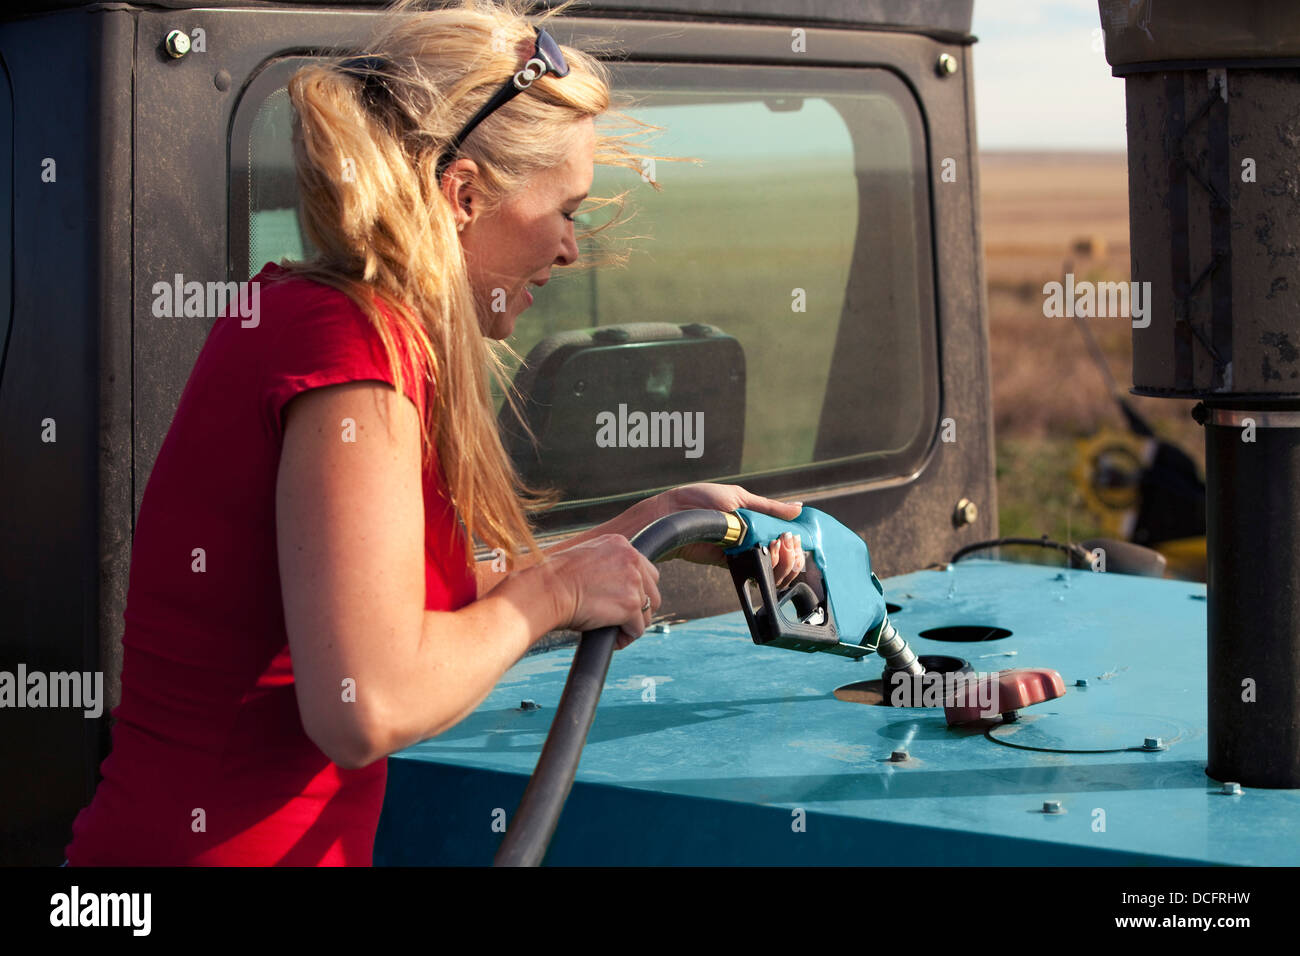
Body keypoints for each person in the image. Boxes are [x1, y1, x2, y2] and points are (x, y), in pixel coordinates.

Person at [63, 0, 805, 866]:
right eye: (566, 208)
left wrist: (654, 523)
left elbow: (420, 604)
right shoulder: (346, 346)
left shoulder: (322, 320)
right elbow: (364, 702)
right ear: (462, 195)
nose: (571, 249)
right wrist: (555, 598)